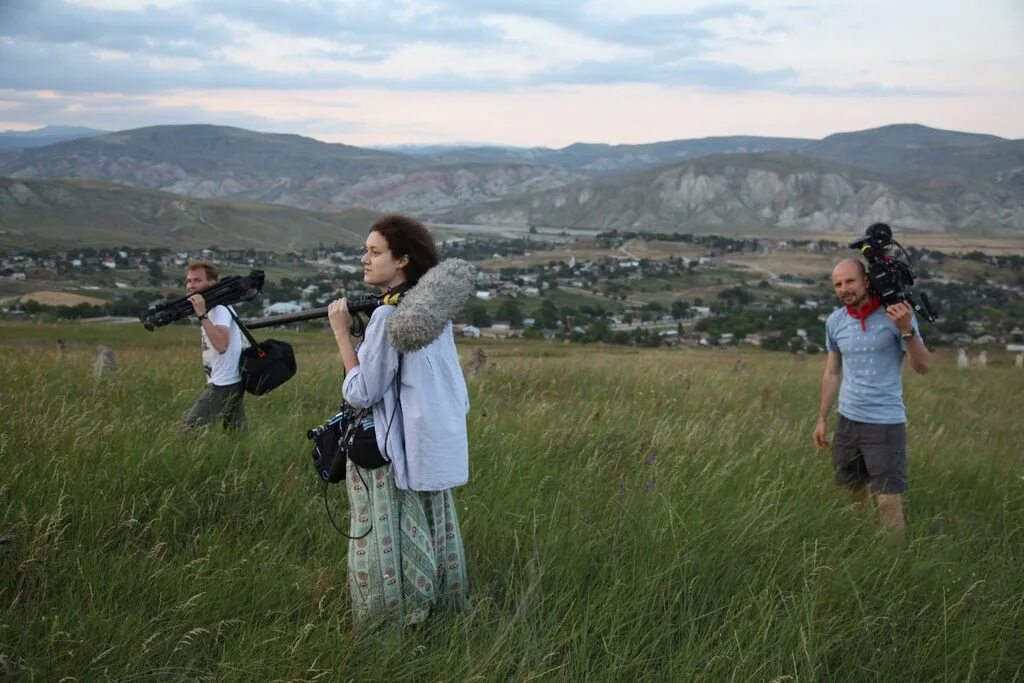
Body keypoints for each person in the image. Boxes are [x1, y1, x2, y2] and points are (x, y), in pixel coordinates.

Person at [327, 214, 470, 625]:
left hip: (391, 452)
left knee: (385, 541)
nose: (364, 260)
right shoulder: (429, 312)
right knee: (429, 528)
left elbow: (361, 392)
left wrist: (341, 334)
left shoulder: (389, 318)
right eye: (365, 251)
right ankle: (440, 615)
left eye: (375, 252)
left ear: (403, 260)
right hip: (427, 446)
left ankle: (387, 623)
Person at [813, 258, 930, 539]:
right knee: (854, 490)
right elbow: (832, 372)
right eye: (838, 284)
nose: (844, 289)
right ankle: (861, 545)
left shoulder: (896, 316)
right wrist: (822, 418)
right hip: (848, 420)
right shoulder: (836, 322)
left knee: (888, 501)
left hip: (885, 423)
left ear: (866, 280)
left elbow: (923, 366)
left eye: (850, 281)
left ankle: (895, 569)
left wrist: (906, 328)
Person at [179, 260, 246, 432]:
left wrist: (201, 315)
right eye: (188, 281)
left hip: (223, 384)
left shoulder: (218, 309)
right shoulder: (213, 308)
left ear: (212, 283)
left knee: (187, 431)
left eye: (196, 280)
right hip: (230, 380)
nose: (191, 285)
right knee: (236, 434)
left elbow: (222, 344)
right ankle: (245, 458)